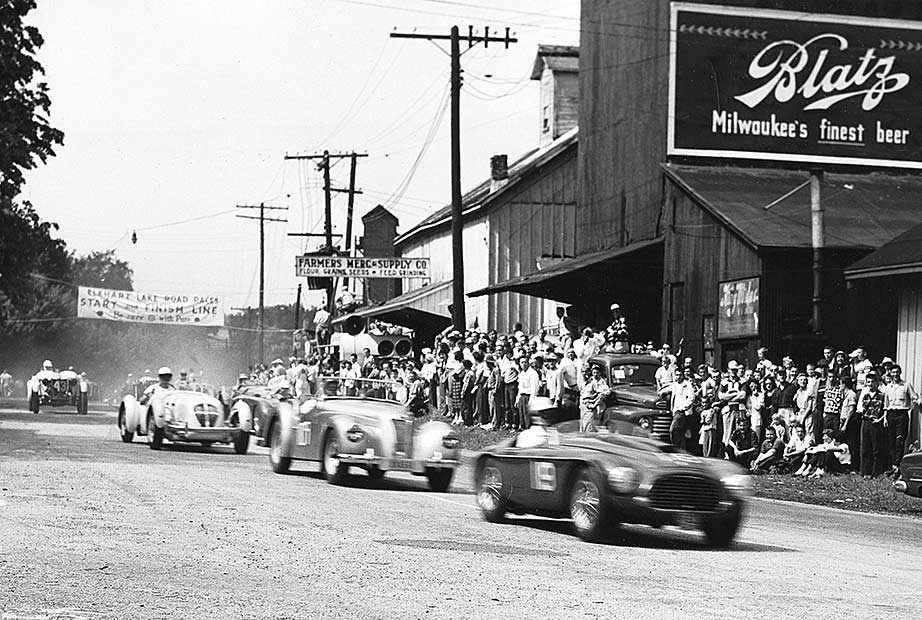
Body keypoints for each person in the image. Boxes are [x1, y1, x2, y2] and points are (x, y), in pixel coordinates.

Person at [882, 363, 918, 477]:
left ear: (900, 373)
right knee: (891, 442)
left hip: (902, 415)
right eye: (893, 372)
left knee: (899, 441)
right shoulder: (888, 387)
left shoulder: (906, 385)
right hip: (891, 415)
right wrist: (885, 418)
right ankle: (894, 466)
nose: (895, 374)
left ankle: (897, 467)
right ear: (890, 374)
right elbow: (886, 404)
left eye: (897, 372)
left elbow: (913, 396)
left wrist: (918, 400)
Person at [658, 366, 696, 450]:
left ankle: (675, 447)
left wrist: (683, 407)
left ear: (683, 376)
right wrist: (661, 392)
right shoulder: (675, 385)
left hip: (682, 411)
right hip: (675, 411)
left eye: (680, 375)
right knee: (680, 432)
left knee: (673, 430)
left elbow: (691, 397)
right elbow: (666, 389)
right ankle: (680, 449)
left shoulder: (687, 385)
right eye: (677, 375)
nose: (678, 377)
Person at [859, 372, 887, 478]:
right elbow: (863, 410)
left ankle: (876, 473)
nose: (870, 384)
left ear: (877, 383)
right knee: (865, 448)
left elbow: (885, 411)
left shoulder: (881, 396)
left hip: (876, 424)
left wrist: (879, 420)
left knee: (876, 449)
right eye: (868, 382)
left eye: (872, 382)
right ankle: (866, 472)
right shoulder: (865, 396)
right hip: (865, 422)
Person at [579, 364, 610, 432]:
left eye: (586, 371)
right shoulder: (583, 383)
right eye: (583, 372)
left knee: (589, 429)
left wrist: (595, 404)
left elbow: (605, 392)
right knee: (582, 429)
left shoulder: (594, 383)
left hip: (589, 410)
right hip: (583, 409)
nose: (585, 373)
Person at [516, 357, 540, 430]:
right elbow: (520, 388)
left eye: (525, 362)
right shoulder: (522, 373)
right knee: (522, 415)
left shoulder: (533, 373)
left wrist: (531, 400)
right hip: (522, 396)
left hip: (529, 396)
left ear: (528, 363)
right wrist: (517, 399)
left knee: (528, 417)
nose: (524, 364)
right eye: (522, 362)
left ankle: (529, 430)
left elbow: (534, 388)